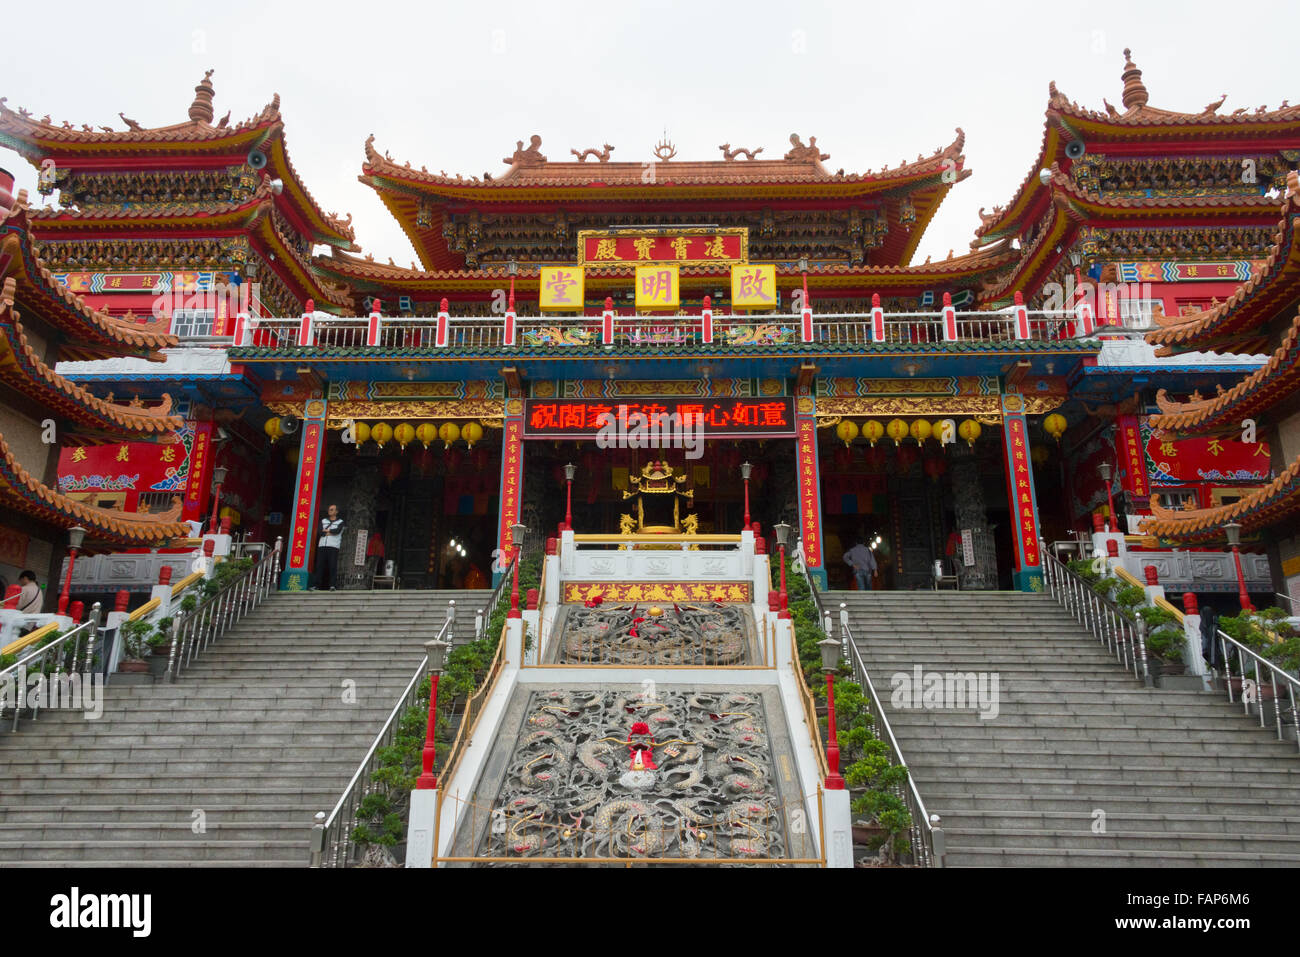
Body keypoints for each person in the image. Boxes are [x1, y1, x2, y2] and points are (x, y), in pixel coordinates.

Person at [317, 504, 344, 590]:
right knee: (319, 565)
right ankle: (317, 585)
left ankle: (332, 585)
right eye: (329, 509)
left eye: (332, 509)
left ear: (336, 512)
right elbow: (320, 532)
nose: (330, 511)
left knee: (332, 566)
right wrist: (328, 532)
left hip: (333, 546)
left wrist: (328, 530)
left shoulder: (340, 522)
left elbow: (337, 531)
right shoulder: (323, 520)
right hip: (322, 546)